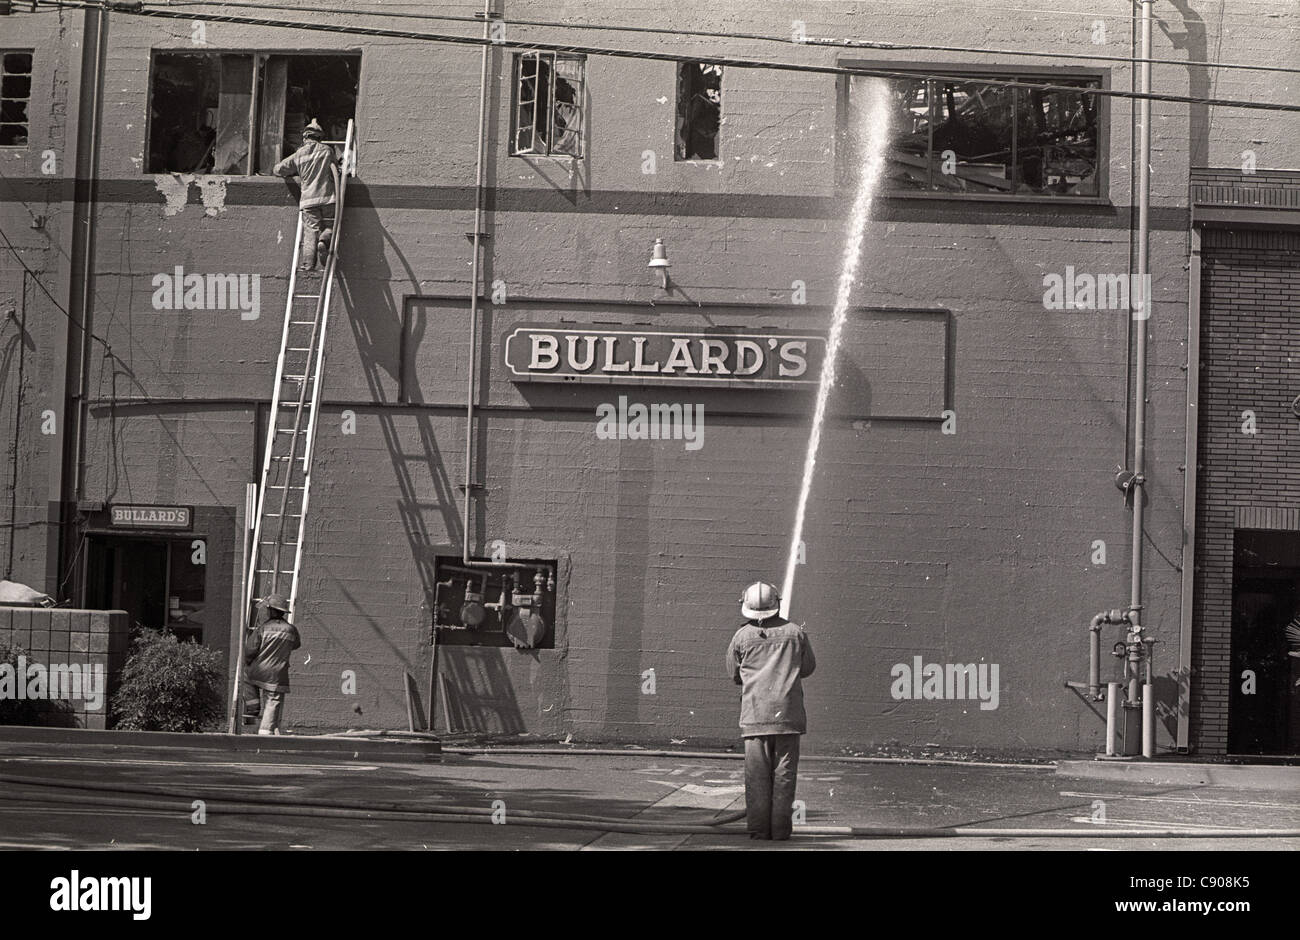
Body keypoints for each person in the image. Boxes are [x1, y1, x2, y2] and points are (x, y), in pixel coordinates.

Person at [725, 580, 816, 840]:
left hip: (755, 715)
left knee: (757, 777)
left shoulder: (741, 636)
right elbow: (808, 667)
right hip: (788, 716)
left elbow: (733, 674)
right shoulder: (796, 633)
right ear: (776, 604)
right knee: (784, 775)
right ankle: (780, 832)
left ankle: (758, 831)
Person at [273, 119, 336, 273]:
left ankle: (308, 264)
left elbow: (278, 169)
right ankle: (323, 241)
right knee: (329, 227)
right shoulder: (327, 151)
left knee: (310, 232)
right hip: (328, 199)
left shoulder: (299, 154)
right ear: (319, 137)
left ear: (305, 137)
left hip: (308, 201)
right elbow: (337, 170)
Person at [245, 593, 301, 735]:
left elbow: (250, 650)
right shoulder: (291, 630)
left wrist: (248, 662)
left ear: (271, 610)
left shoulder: (263, 628)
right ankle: (266, 731)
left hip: (259, 671)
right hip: (277, 675)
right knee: (273, 701)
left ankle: (253, 709)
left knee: (246, 679)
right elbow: (296, 645)